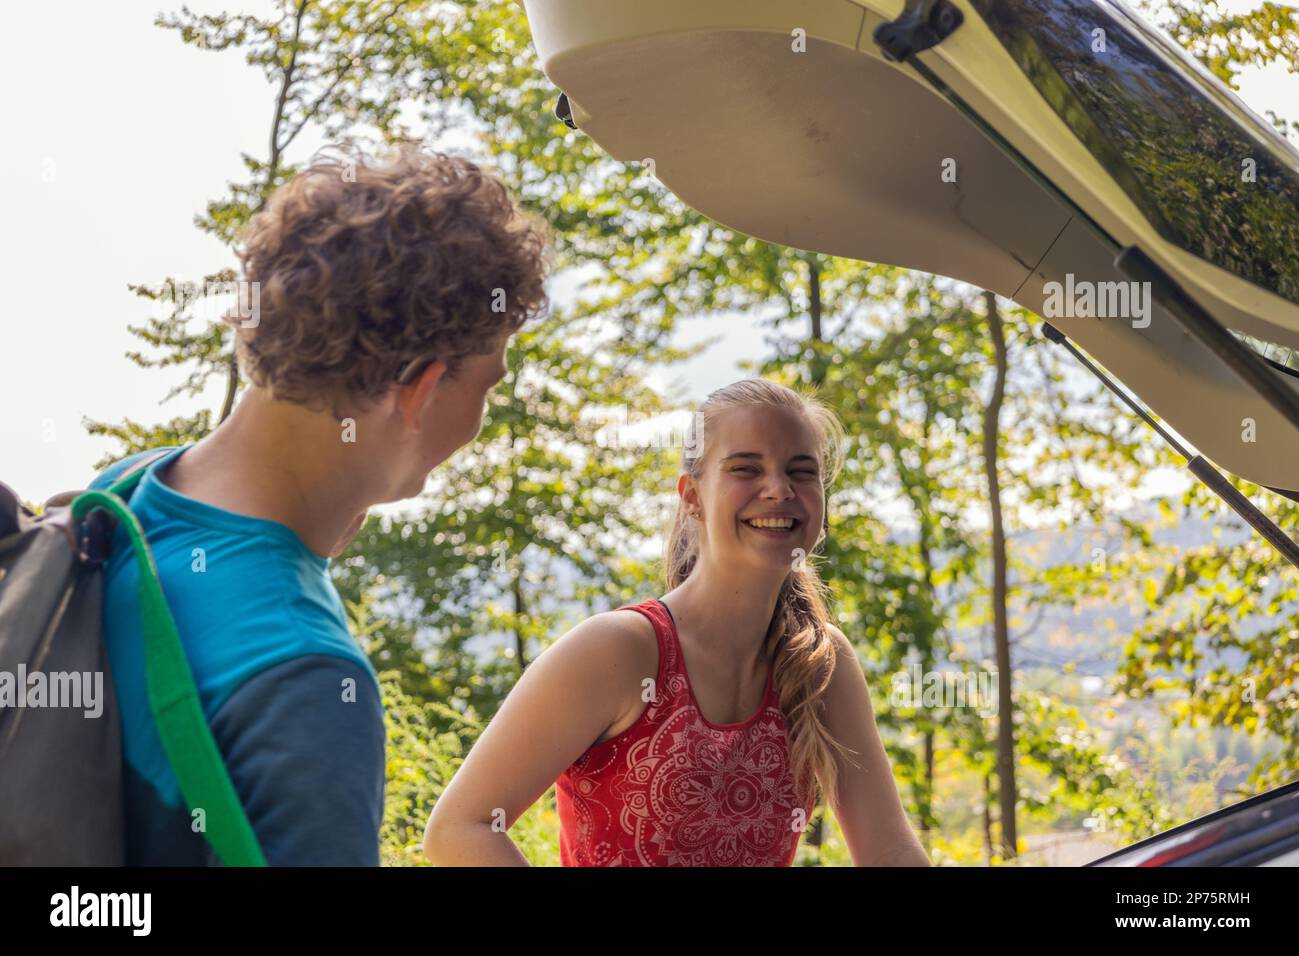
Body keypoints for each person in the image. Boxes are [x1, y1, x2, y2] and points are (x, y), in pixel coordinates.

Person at [89, 146, 549, 864]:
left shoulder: (118, 499)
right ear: (423, 391)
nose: (483, 416)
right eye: (487, 387)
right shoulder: (304, 679)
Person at [423, 378, 929, 866]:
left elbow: (890, 853)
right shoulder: (618, 651)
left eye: (801, 471)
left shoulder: (821, 662)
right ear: (691, 496)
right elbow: (459, 828)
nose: (778, 489)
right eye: (746, 469)